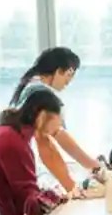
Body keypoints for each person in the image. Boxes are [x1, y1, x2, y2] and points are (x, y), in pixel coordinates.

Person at [9, 47, 104, 194]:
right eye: (69, 74)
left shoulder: (30, 87)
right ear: (59, 70)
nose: (69, 81)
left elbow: (56, 136)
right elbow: (53, 141)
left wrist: (92, 166)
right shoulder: (40, 94)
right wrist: (74, 186)